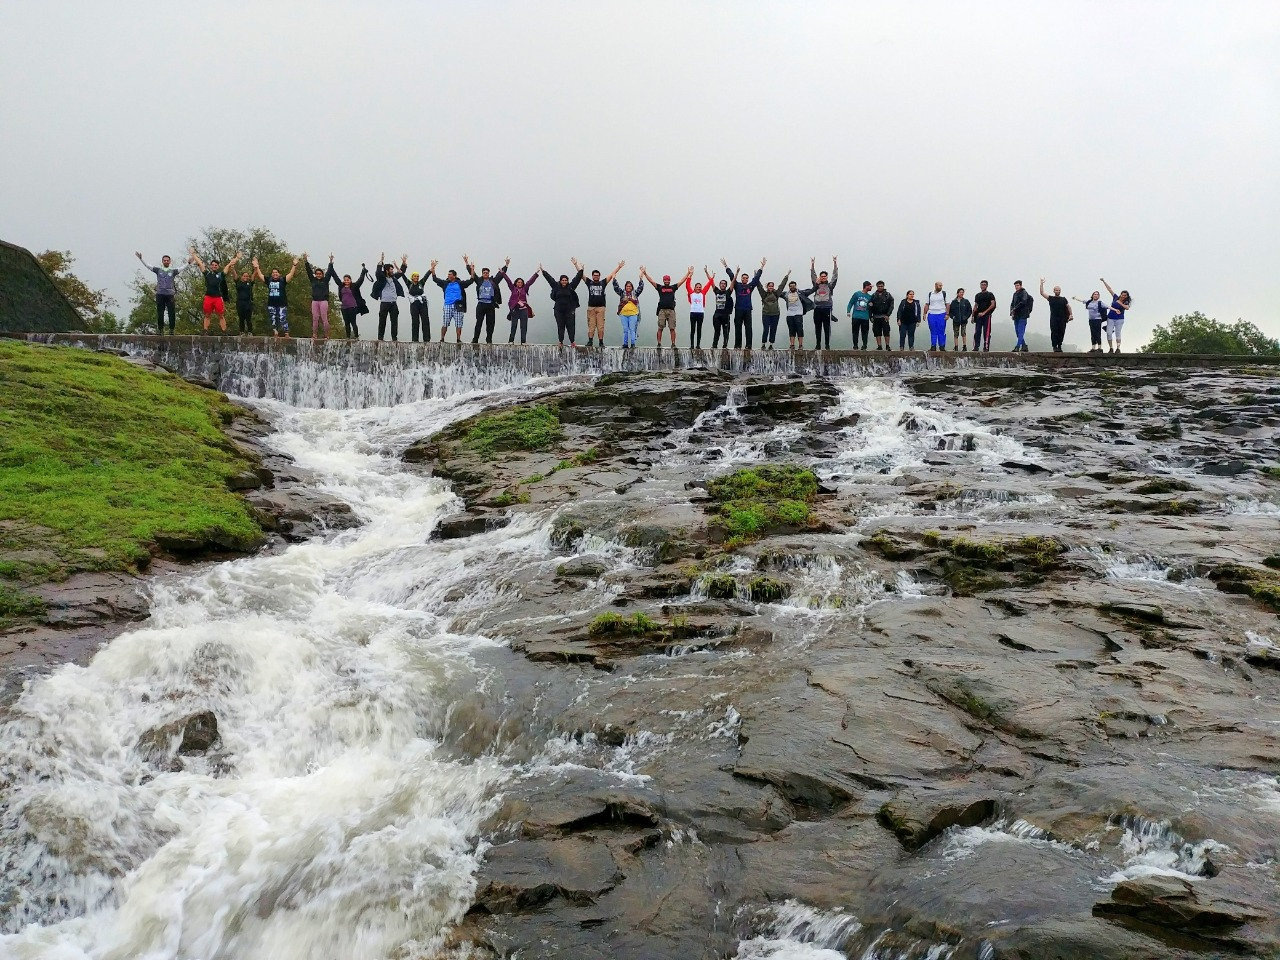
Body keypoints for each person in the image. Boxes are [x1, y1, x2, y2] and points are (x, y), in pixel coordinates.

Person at [189, 247, 241, 334]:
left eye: (216, 265)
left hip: (218, 297)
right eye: (212, 265)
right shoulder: (207, 274)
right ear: (210, 266)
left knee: (221, 315)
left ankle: (224, 331)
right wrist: (193, 254)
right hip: (208, 297)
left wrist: (237, 258)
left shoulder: (221, 275)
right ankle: (205, 330)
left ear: (218, 266)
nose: (214, 266)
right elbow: (200, 264)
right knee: (207, 315)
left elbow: (229, 264)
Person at [639, 267, 693, 347]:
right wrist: (645, 273)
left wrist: (688, 273)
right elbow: (651, 281)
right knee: (660, 327)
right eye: (665, 280)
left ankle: (673, 343)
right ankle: (659, 343)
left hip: (671, 311)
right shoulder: (660, 287)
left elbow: (682, 281)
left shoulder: (673, 287)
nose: (666, 281)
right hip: (662, 310)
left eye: (668, 280)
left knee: (672, 328)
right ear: (663, 280)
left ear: (669, 280)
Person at [135, 251, 185, 335]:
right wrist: (141, 259)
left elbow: (182, 268)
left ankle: (171, 330)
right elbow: (148, 266)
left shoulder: (173, 271)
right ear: (162, 261)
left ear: (169, 261)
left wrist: (189, 263)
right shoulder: (158, 270)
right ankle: (160, 330)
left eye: (167, 260)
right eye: (164, 260)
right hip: (160, 294)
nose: (166, 261)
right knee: (160, 313)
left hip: (170, 295)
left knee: (171, 313)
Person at [429, 260, 476, 344]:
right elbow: (435, 279)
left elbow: (471, 280)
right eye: (448, 274)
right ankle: (442, 339)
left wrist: (472, 270)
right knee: (445, 323)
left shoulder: (460, 283)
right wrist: (433, 268)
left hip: (458, 305)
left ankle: (458, 339)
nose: (448, 275)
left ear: (454, 276)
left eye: (450, 274)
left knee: (459, 323)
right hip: (447, 305)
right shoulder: (445, 283)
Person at [252, 255, 299, 338]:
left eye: (276, 272)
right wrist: (257, 267)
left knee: (282, 318)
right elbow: (260, 275)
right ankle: (275, 333)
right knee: (273, 319)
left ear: (279, 274)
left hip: (282, 303)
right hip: (271, 303)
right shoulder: (268, 280)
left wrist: (294, 265)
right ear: (271, 274)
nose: (275, 274)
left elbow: (291, 274)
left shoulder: (283, 280)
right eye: (273, 272)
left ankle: (286, 333)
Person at [723, 258, 764, 349]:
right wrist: (726, 266)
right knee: (738, 328)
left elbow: (756, 278)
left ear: (748, 279)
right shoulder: (737, 285)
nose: (745, 279)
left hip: (748, 310)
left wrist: (762, 267)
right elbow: (731, 276)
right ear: (741, 279)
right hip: (738, 309)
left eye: (746, 278)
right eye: (743, 278)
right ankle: (738, 345)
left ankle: (748, 345)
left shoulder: (750, 286)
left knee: (748, 328)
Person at [543, 260, 585, 346]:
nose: (564, 281)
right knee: (560, 326)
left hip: (569, 310)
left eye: (566, 280)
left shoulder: (571, 287)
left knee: (571, 326)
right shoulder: (556, 286)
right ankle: (560, 341)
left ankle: (572, 341)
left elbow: (578, 277)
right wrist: (543, 271)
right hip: (558, 310)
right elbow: (550, 279)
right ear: (560, 281)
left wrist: (578, 266)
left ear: (568, 281)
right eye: (563, 280)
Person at [581, 261, 623, 347]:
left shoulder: (603, 282)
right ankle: (590, 341)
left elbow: (612, 275)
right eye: (594, 275)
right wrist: (577, 266)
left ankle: (601, 342)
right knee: (591, 326)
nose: (596, 276)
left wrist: (619, 267)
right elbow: (581, 275)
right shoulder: (589, 282)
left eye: (597, 275)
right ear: (592, 276)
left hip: (601, 308)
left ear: (599, 276)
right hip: (591, 308)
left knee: (600, 326)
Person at [465, 256, 506, 344]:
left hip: (490, 304)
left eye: (487, 273)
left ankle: (489, 339)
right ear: (482, 274)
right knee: (479, 322)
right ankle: (475, 339)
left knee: (490, 323)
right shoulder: (479, 281)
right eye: (484, 273)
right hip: (481, 304)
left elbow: (500, 275)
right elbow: (472, 273)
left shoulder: (493, 281)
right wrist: (467, 263)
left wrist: (506, 265)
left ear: (489, 273)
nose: (485, 274)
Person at [302, 252, 340, 339]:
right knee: (315, 318)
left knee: (324, 318)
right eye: (317, 274)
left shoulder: (325, 280)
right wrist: (306, 260)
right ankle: (314, 334)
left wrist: (330, 262)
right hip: (315, 301)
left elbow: (329, 271)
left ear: (322, 274)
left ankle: (327, 334)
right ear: (315, 274)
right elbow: (308, 271)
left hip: (323, 301)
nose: (318, 275)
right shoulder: (313, 280)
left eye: (320, 274)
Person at [372, 254, 406, 341]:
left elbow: (401, 272)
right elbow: (378, 273)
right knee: (382, 321)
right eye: (391, 269)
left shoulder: (394, 278)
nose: (392, 271)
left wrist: (404, 263)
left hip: (393, 303)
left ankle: (394, 338)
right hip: (384, 303)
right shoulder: (382, 279)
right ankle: (380, 338)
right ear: (387, 270)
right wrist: (381, 262)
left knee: (394, 321)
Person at [502, 265, 539, 344]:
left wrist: (536, 273)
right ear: (516, 283)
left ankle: (523, 341)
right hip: (515, 309)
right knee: (514, 325)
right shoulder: (513, 288)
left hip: (524, 309)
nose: (520, 283)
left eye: (521, 282)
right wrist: (503, 273)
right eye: (518, 282)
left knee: (524, 326)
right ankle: (511, 341)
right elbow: (508, 281)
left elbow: (530, 282)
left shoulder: (524, 288)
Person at [755, 270, 791, 350]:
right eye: (769, 286)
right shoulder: (763, 294)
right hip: (766, 314)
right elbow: (759, 286)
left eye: (772, 286)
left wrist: (786, 276)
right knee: (766, 330)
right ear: (767, 287)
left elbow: (782, 286)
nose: (770, 287)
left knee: (773, 329)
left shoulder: (776, 293)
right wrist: (756, 275)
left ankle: (771, 344)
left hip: (775, 314)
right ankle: (763, 344)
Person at [809, 257, 839, 349]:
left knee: (827, 327)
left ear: (826, 277)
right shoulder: (816, 285)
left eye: (825, 276)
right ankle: (818, 344)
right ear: (820, 277)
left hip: (827, 309)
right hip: (817, 308)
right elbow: (813, 276)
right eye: (821, 276)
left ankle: (827, 345)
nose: (823, 277)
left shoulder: (830, 285)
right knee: (817, 327)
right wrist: (812, 264)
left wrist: (835, 263)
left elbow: (835, 276)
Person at [1040, 278, 1073, 352]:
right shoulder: (1051, 298)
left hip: (1063, 318)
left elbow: (1068, 306)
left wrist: (1071, 315)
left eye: (1059, 290)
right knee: (1054, 332)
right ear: (1054, 291)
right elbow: (1042, 293)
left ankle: (1059, 345)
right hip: (1054, 318)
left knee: (1061, 332)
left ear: (1060, 291)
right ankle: (1054, 346)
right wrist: (1041, 283)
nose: (1057, 291)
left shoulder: (1064, 299)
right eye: (1056, 290)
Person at [400, 263, 431, 342]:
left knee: (425, 320)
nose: (416, 277)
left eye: (417, 276)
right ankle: (415, 339)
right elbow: (403, 275)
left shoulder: (421, 283)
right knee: (415, 321)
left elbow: (426, 276)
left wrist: (432, 268)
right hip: (414, 304)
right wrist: (401, 265)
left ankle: (426, 339)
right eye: (415, 276)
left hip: (422, 303)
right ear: (412, 277)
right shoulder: (409, 284)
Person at [612, 274, 645, 349]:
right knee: (625, 330)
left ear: (632, 287)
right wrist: (614, 279)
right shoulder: (622, 293)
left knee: (632, 329)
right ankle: (625, 344)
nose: (628, 287)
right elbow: (616, 288)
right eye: (627, 286)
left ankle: (633, 344)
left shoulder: (635, 293)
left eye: (630, 286)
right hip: (623, 314)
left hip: (633, 314)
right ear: (625, 287)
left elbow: (641, 288)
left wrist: (641, 279)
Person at [336, 264, 369, 339]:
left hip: (352, 307)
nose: (346, 281)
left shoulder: (354, 286)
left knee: (353, 322)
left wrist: (363, 272)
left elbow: (360, 280)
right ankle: (347, 337)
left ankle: (356, 336)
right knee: (346, 323)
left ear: (350, 280)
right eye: (345, 280)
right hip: (344, 307)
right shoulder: (341, 287)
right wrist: (331, 265)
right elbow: (336, 278)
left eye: (348, 280)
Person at [686, 268, 715, 348]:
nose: (699, 288)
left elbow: (709, 284)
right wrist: (690, 275)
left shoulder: (703, 293)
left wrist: (710, 276)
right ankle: (692, 345)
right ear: (694, 288)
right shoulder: (691, 293)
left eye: (700, 287)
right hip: (693, 313)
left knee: (699, 329)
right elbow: (687, 284)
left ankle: (698, 345)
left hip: (700, 313)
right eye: (697, 287)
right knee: (692, 329)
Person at [1101, 278, 1132, 353]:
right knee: (1109, 332)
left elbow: (1127, 308)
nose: (1123, 296)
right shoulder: (1115, 297)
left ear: (1126, 296)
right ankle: (1111, 348)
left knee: (1118, 333)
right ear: (1120, 294)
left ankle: (1118, 348)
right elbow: (1109, 289)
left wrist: (1120, 303)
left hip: (1119, 319)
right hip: (1110, 317)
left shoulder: (1126, 302)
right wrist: (1104, 281)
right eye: (1122, 294)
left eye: (1125, 295)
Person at [782, 279, 812, 350]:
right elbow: (778, 292)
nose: (792, 287)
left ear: (796, 286)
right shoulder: (786, 294)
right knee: (791, 330)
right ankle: (792, 345)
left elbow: (811, 290)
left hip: (798, 314)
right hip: (789, 314)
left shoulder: (800, 293)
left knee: (799, 329)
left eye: (793, 286)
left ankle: (800, 345)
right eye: (791, 286)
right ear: (789, 287)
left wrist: (817, 284)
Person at [846, 281, 873, 350]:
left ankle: (864, 346)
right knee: (855, 332)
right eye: (870, 286)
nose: (871, 288)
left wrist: (871, 306)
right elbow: (851, 302)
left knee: (865, 333)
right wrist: (848, 311)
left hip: (865, 317)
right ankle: (855, 345)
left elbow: (872, 307)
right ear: (866, 286)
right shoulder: (857, 294)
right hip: (856, 316)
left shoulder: (870, 297)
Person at [1009, 280, 1034, 352]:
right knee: (1017, 331)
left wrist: (1014, 308)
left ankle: (1017, 346)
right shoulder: (1015, 294)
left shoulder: (1024, 293)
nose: (1016, 287)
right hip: (1016, 315)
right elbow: (1012, 303)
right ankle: (1024, 345)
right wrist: (1011, 311)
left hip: (1023, 315)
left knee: (1020, 331)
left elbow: (1023, 302)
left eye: (1017, 285)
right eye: (1015, 286)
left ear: (1021, 285)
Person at [869, 280, 895, 351]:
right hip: (876, 316)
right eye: (879, 286)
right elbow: (870, 306)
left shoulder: (888, 295)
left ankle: (887, 346)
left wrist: (888, 314)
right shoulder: (873, 295)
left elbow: (891, 306)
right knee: (877, 332)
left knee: (886, 331)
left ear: (884, 286)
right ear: (877, 287)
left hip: (884, 316)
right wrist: (870, 316)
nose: (880, 287)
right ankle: (879, 346)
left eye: (881, 286)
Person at [709, 276, 734, 349]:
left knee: (725, 332)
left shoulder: (728, 293)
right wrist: (707, 272)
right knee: (717, 331)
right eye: (721, 283)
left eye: (724, 284)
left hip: (725, 315)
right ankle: (714, 345)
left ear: (726, 285)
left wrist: (736, 273)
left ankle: (725, 346)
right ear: (719, 285)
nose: (723, 285)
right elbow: (711, 283)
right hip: (717, 315)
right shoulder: (717, 291)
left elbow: (733, 283)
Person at [972, 280, 996, 352]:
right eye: (982, 284)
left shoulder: (990, 294)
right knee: (977, 331)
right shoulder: (978, 295)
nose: (983, 286)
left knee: (987, 332)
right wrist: (973, 316)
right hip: (978, 316)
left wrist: (984, 312)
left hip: (987, 315)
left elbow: (993, 305)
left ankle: (986, 347)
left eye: (984, 285)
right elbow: (975, 306)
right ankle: (976, 346)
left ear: (987, 286)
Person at [924, 281, 948, 351]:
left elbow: (947, 304)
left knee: (941, 331)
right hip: (932, 314)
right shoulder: (930, 294)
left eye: (941, 286)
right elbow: (927, 304)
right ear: (935, 285)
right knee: (933, 331)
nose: (941, 287)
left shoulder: (944, 294)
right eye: (939, 285)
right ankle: (933, 346)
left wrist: (947, 314)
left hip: (941, 313)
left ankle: (942, 346)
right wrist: (924, 313)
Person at [233, 268, 255, 335]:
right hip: (240, 303)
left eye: (247, 276)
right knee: (241, 318)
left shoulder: (250, 283)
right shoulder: (238, 282)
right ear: (242, 277)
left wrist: (256, 267)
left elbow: (254, 275)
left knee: (248, 318)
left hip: (248, 303)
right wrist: (233, 268)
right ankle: (241, 331)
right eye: (244, 276)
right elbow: (235, 275)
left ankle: (250, 332)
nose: (245, 277)